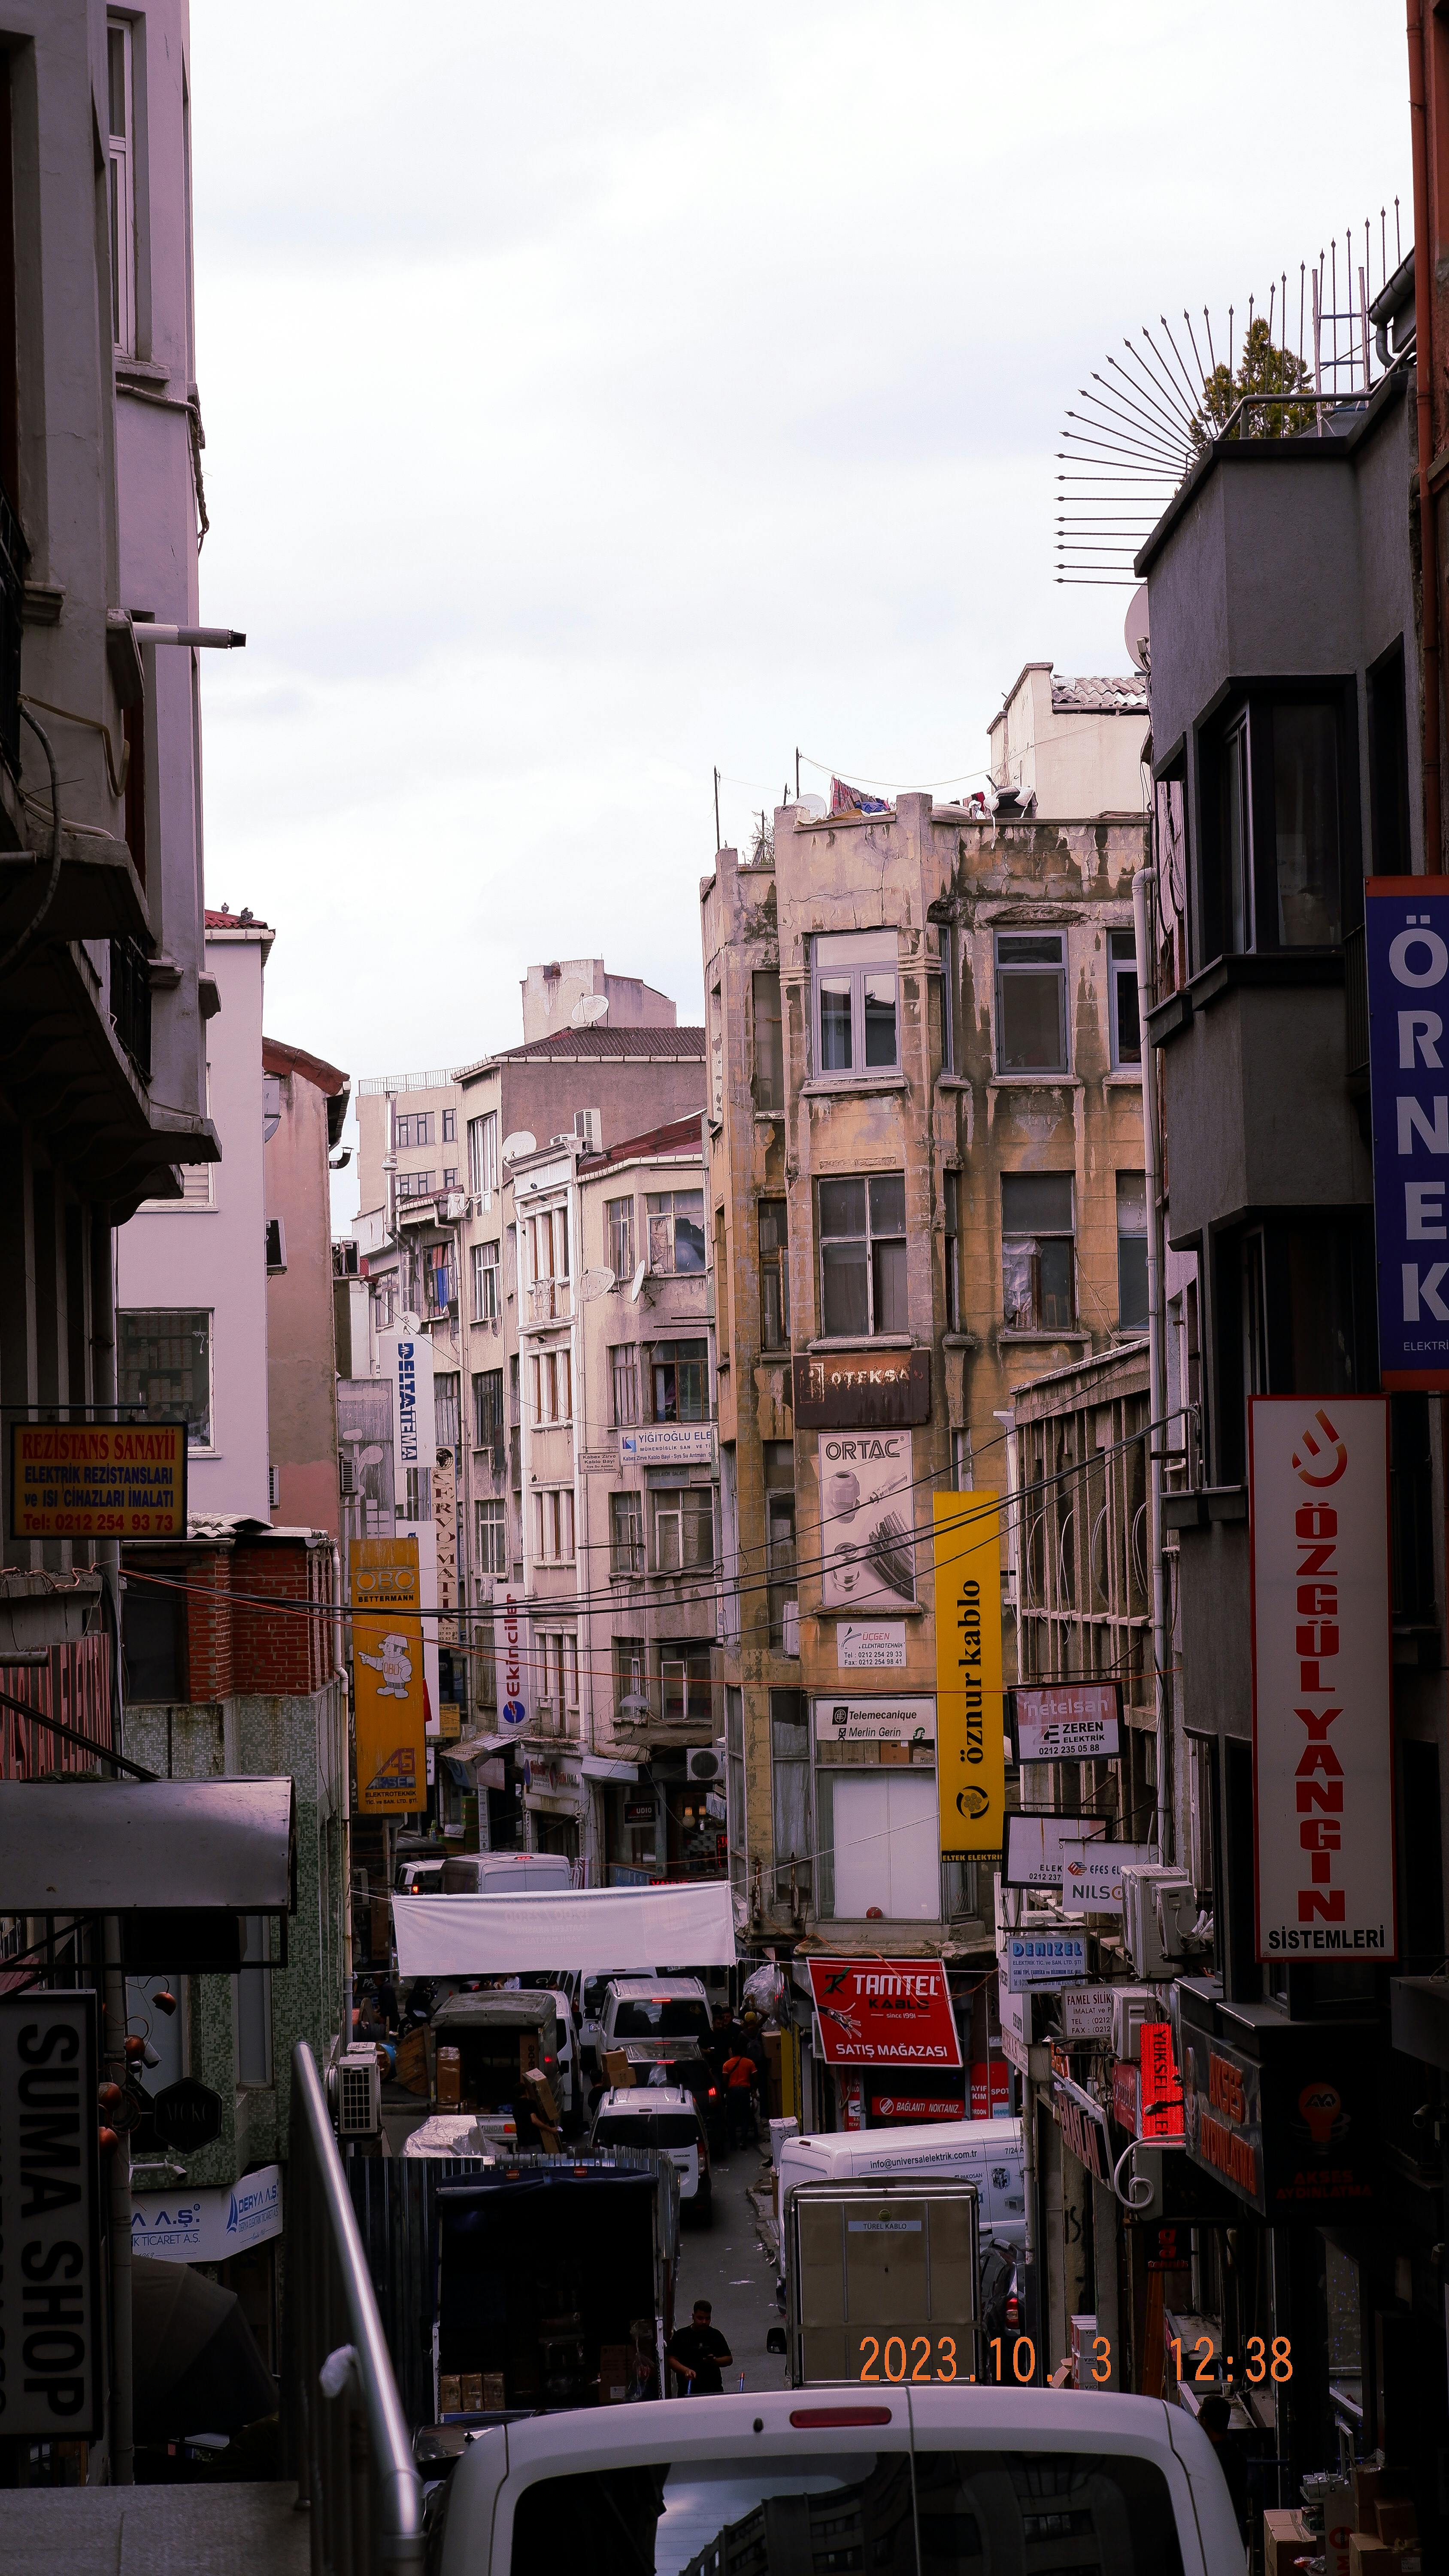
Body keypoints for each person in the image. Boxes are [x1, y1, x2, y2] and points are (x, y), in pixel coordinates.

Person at [1197, 2393, 1247, 2542]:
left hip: (1211, 2533)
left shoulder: (1208, 2460)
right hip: (1231, 2530)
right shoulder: (1237, 2455)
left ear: (1205, 2421)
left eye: (1198, 2419)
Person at [667, 2301, 734, 2395]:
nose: (704, 2322)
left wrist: (715, 2361)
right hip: (688, 2389)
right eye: (700, 2318)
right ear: (693, 2317)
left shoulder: (716, 2335)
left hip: (714, 2390)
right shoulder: (681, 2335)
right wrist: (686, 2371)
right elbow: (671, 2359)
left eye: (708, 2318)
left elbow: (729, 2359)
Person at [721, 2044, 758, 2149]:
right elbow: (755, 2077)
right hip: (745, 2091)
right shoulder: (749, 2063)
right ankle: (743, 2140)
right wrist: (754, 2090)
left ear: (732, 2052)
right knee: (745, 2115)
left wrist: (726, 2092)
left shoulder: (727, 2064)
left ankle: (733, 2143)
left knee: (731, 2116)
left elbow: (725, 2080)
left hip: (732, 2092)